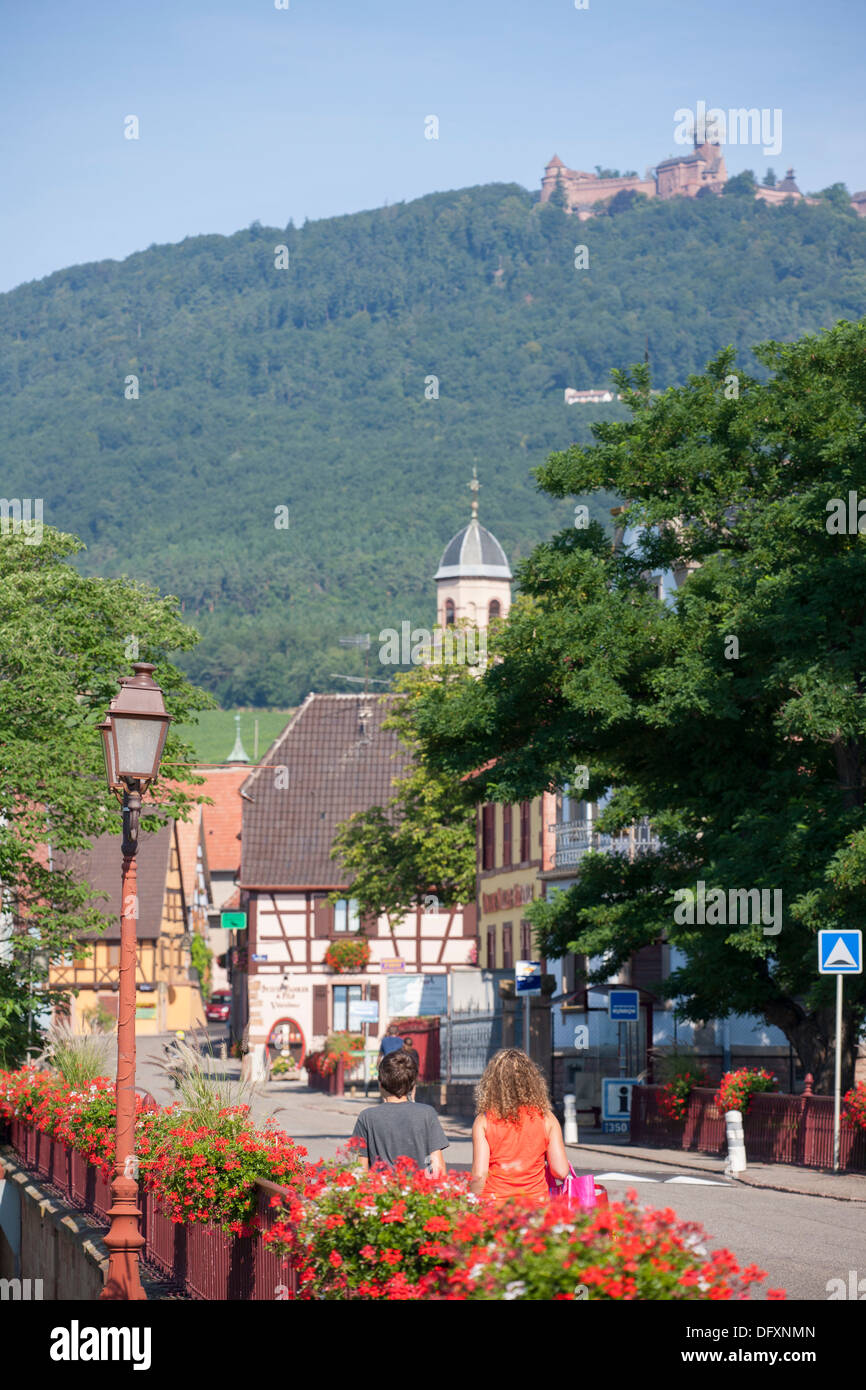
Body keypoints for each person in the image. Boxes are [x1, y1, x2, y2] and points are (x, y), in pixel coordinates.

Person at [469, 1048, 569, 1203]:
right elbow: (561, 1171)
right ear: (532, 1081)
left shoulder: (484, 1121)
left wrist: (470, 1203)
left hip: (495, 1205)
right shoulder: (547, 1119)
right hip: (535, 1206)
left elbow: (480, 1175)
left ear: (493, 1082)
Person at [351, 1050, 448, 1176]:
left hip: (382, 1193)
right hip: (419, 1191)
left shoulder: (367, 1117)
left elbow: (360, 1168)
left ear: (380, 1083)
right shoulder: (427, 1113)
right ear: (413, 1085)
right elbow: (438, 1165)